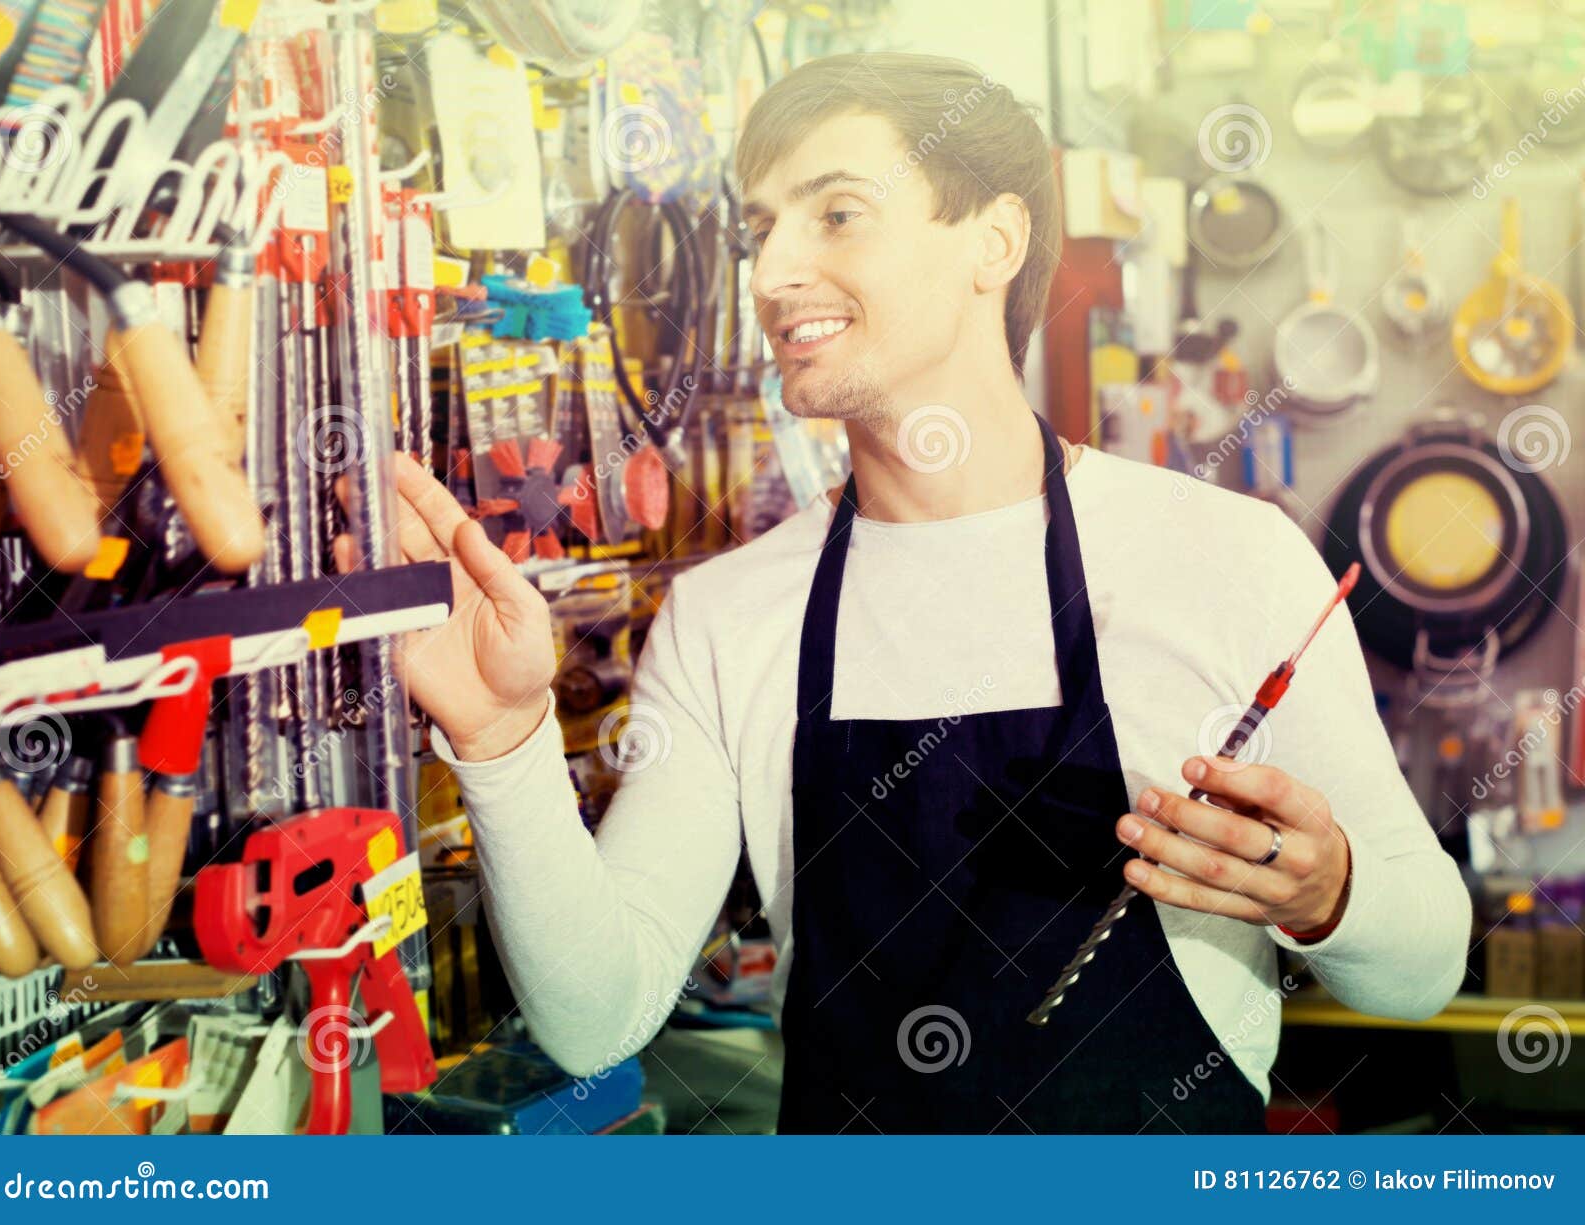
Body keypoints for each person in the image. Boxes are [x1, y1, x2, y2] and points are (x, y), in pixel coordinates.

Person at [353, 52, 1470, 1133]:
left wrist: (1329, 895)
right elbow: (598, 1017)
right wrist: (501, 739)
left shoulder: (1227, 558)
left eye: (835, 213)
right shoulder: (730, 614)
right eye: (760, 229)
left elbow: (1420, 971)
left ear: (993, 241)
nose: (772, 270)